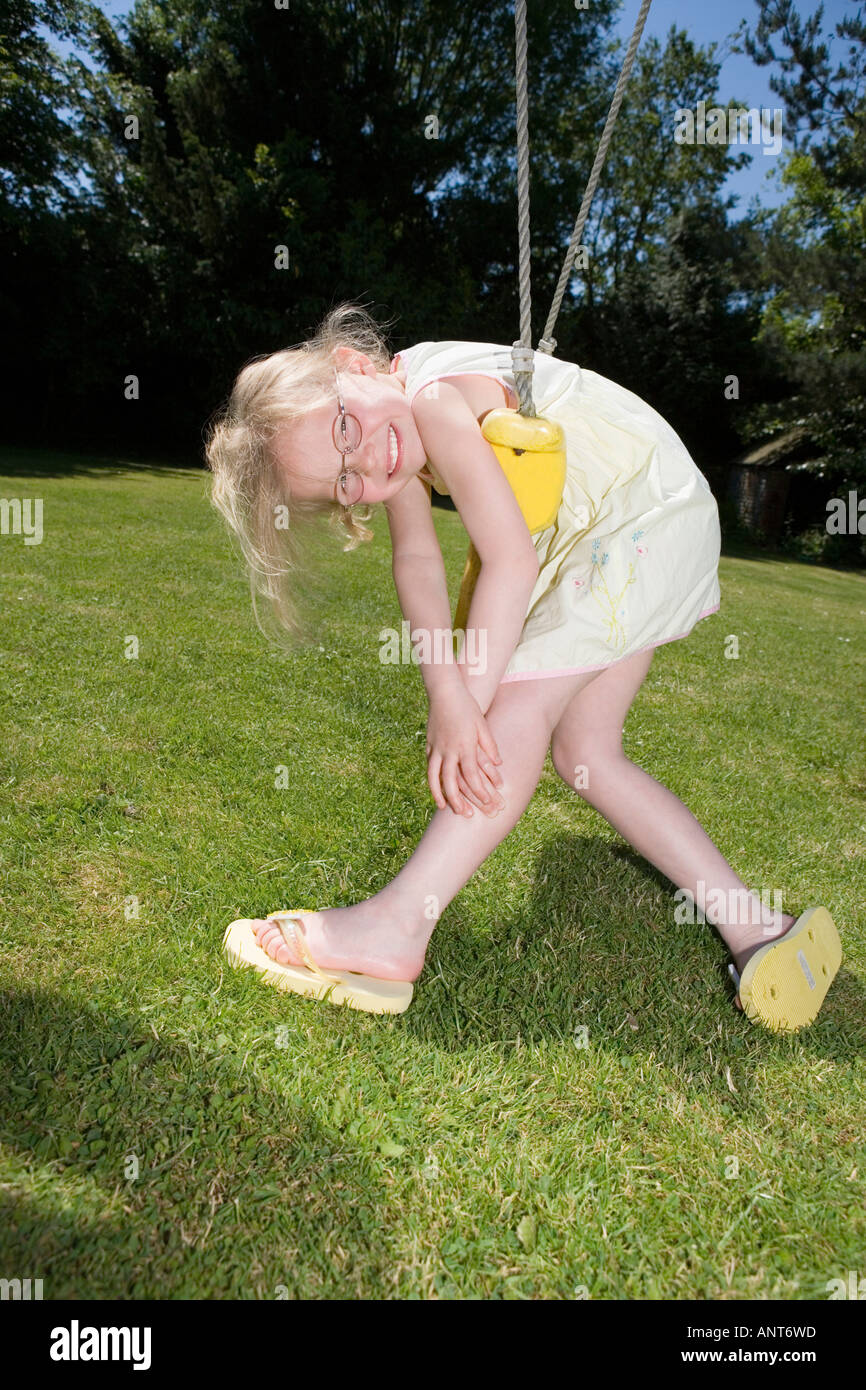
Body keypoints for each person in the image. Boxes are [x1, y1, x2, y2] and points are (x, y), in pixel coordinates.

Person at [205, 303, 841, 1030]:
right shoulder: (400, 437)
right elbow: (417, 563)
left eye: (344, 428)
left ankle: (396, 926)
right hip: (629, 521)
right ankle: (757, 926)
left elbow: (511, 559)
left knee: (514, 706)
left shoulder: (435, 402)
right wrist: (445, 691)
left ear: (354, 365)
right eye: (345, 484)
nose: (367, 465)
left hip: (637, 517)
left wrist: (469, 704)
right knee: (587, 755)